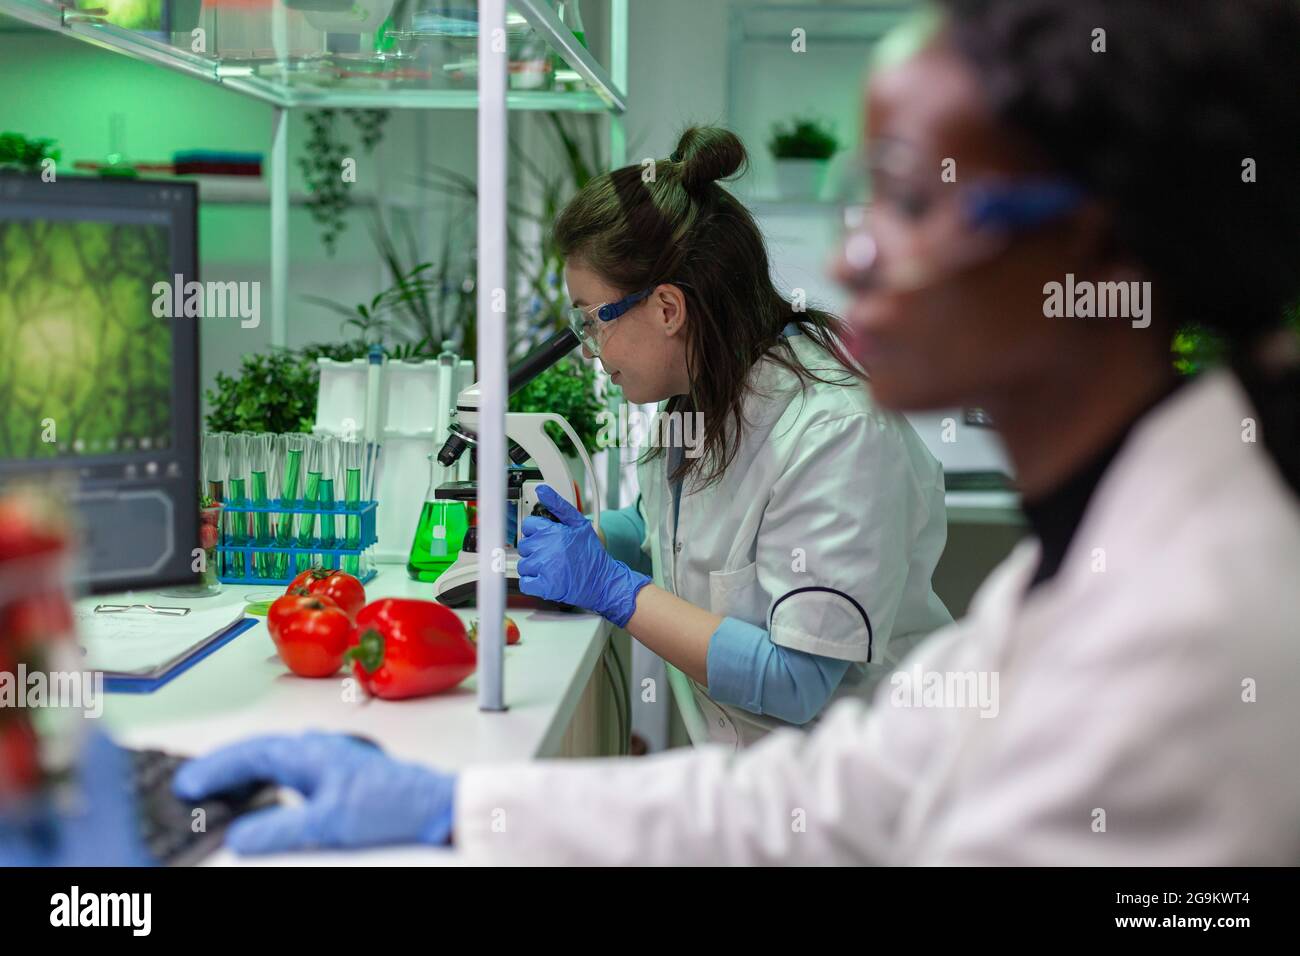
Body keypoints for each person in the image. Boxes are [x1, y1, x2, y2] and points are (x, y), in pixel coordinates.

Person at [174, 0, 1300, 863]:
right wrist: (457, 805)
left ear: (1092, 251)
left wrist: (607, 591)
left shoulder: (1182, 625)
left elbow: (807, 715)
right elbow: (829, 794)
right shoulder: (1087, 563)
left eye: (909, 200)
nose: (854, 257)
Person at [516, 125, 951, 746]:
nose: (589, 351)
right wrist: (585, 538)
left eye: (592, 320)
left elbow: (795, 681)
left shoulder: (835, 434)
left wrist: (610, 586)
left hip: (865, 802)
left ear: (667, 308)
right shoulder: (703, 398)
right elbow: (666, 532)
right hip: (757, 787)